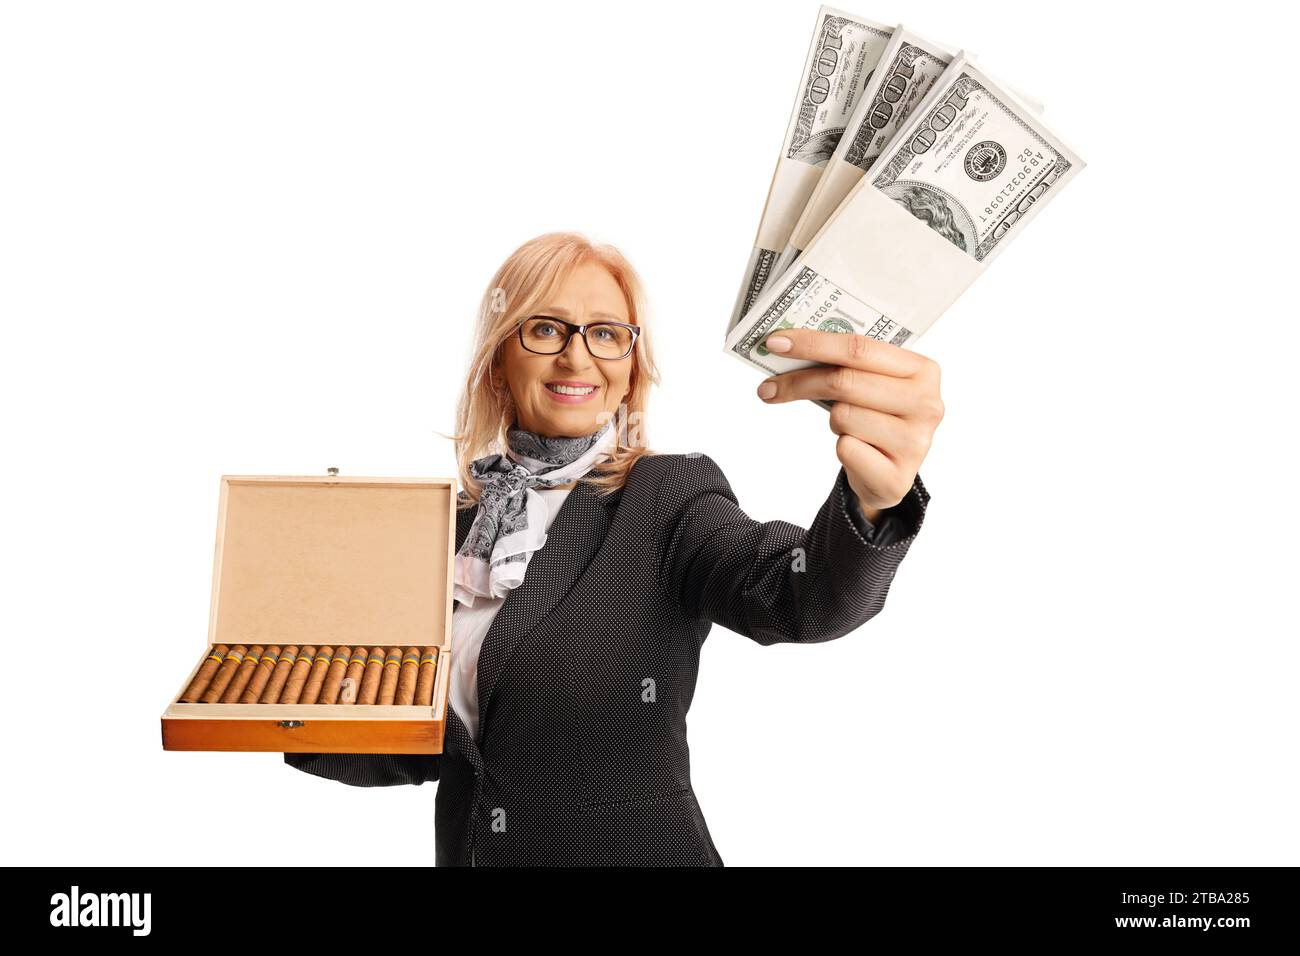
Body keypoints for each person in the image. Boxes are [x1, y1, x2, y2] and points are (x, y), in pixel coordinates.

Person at [284, 232, 943, 866]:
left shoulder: (665, 496)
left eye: (606, 333)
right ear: (497, 364)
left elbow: (802, 598)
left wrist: (872, 501)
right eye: (545, 329)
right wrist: (286, 702)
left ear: (631, 370)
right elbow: (438, 748)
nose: (577, 358)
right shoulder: (452, 533)